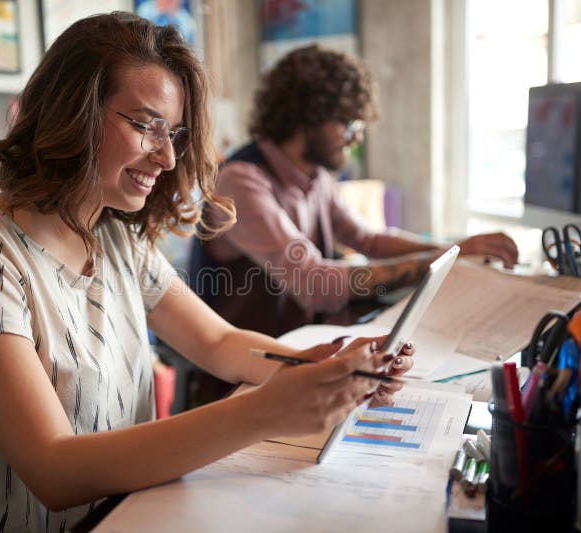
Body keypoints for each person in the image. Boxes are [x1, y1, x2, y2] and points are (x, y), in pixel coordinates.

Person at [0, 13, 415, 533]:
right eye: (146, 124)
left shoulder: (115, 236)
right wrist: (265, 412)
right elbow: (53, 470)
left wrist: (319, 366)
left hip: (129, 518)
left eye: (173, 133)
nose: (169, 156)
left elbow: (220, 342)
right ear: (72, 111)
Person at [195, 44, 519, 337]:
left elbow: (369, 240)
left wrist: (456, 249)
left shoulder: (316, 177)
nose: (357, 138)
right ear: (308, 118)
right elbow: (313, 282)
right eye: (349, 124)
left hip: (301, 346)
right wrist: (437, 262)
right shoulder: (241, 181)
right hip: (245, 370)